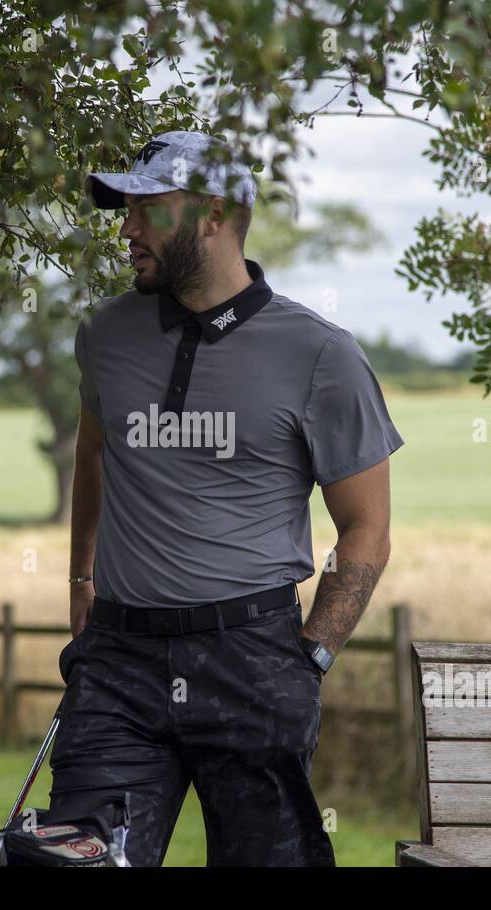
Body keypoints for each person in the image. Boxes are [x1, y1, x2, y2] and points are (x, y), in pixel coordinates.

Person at [53, 129, 404, 865]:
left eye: (147, 209)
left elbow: (366, 528)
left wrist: (311, 658)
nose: (126, 228)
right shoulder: (103, 335)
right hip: (117, 663)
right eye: (126, 210)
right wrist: (82, 580)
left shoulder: (321, 354)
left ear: (213, 215)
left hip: (253, 662)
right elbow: (94, 451)